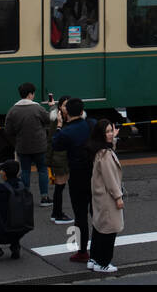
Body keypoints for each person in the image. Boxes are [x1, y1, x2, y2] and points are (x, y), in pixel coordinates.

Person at [52, 97, 94, 263]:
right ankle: (99, 249)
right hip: (95, 174)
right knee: (96, 213)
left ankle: (82, 251)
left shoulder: (66, 132)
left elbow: (56, 145)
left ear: (65, 111)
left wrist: (60, 126)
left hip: (77, 177)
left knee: (80, 215)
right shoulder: (91, 124)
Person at [4, 82, 51, 205]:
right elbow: (49, 120)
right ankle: (44, 198)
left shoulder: (13, 110)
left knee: (25, 171)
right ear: (30, 94)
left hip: (22, 147)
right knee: (42, 170)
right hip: (40, 146)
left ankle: (25, 198)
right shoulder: (38, 108)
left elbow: (8, 130)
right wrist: (52, 107)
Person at [88, 118, 124, 273]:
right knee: (110, 230)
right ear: (101, 134)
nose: (110, 134)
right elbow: (110, 178)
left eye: (111, 131)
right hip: (108, 197)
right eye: (107, 132)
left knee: (99, 227)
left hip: (99, 196)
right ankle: (103, 262)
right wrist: (118, 197)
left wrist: (113, 139)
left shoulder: (98, 150)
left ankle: (94, 259)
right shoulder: (105, 154)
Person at [45, 95, 72, 225]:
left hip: (63, 157)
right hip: (59, 157)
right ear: (60, 107)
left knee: (61, 187)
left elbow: (53, 108)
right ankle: (57, 214)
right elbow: (53, 139)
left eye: (69, 105)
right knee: (60, 186)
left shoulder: (62, 117)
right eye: (65, 105)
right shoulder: (57, 120)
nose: (67, 108)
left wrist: (52, 105)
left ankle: (56, 213)